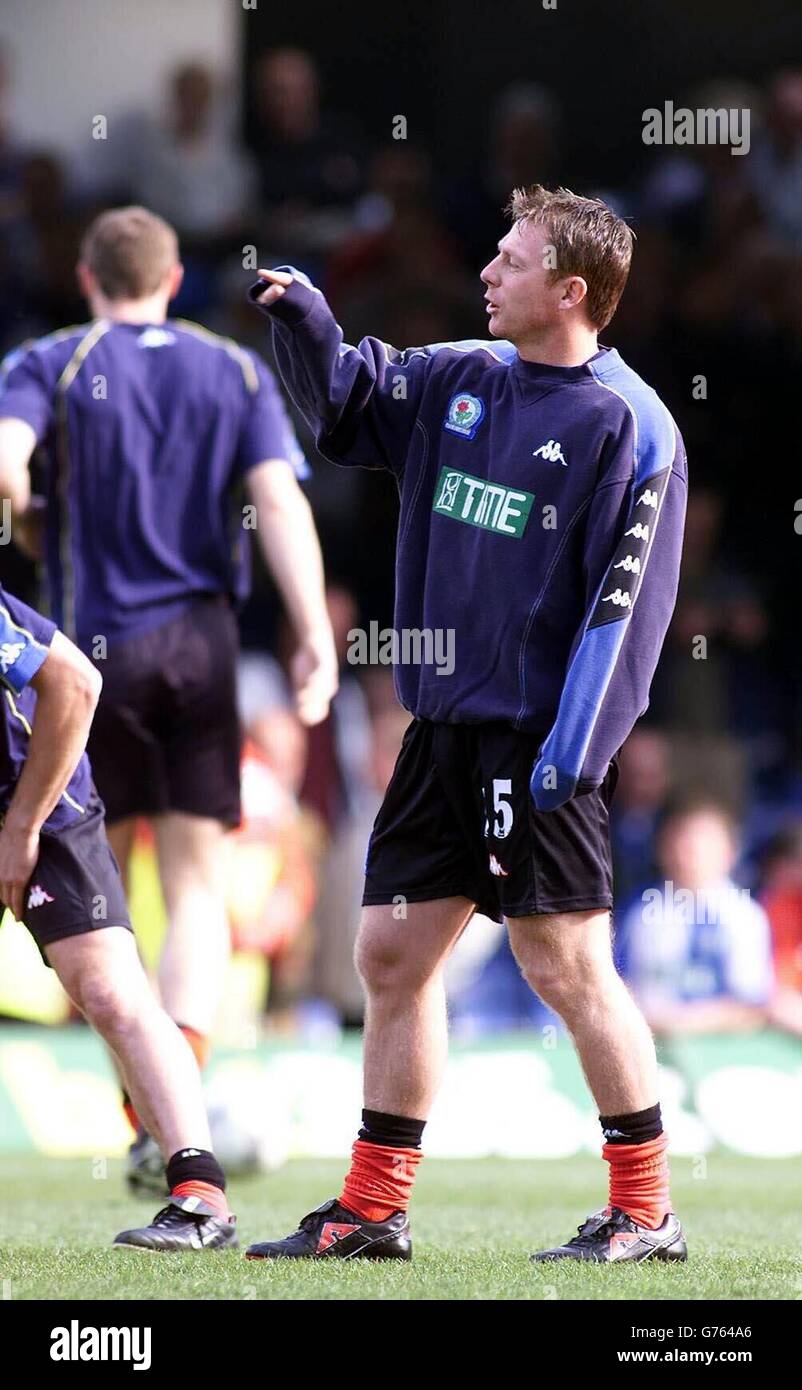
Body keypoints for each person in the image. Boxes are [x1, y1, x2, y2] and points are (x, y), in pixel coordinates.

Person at [243, 183, 689, 1264]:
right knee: (390, 955)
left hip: (538, 744)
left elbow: (624, 614)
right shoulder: (456, 374)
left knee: (565, 965)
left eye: (510, 257)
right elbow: (350, 411)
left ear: (570, 289)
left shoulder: (627, 426)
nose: (486, 271)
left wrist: (572, 753)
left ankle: (644, 1212)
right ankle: (372, 1209)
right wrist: (304, 319)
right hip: (438, 734)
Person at [0, 205, 338, 1189]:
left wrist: (21, 517)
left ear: (84, 274)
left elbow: (6, 462)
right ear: (176, 275)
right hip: (202, 647)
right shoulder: (230, 368)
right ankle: (172, 1101)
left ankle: (150, 1111)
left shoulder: (50, 359)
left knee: (106, 886)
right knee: (193, 885)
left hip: (81, 650)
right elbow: (279, 499)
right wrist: (312, 629)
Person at [0, 582, 236, 1251]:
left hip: (37, 798)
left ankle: (200, 1200)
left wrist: (22, 827)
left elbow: (76, 683)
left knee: (107, 989)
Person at [620, 795, 773, 1035]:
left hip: (725, 1049)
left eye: (701, 844)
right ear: (661, 848)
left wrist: (683, 1023)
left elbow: (753, 1005)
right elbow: (617, 985)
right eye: (679, 842)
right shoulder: (636, 911)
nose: (687, 854)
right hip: (646, 1043)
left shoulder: (745, 916)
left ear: (730, 851)